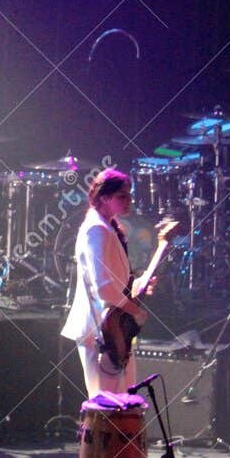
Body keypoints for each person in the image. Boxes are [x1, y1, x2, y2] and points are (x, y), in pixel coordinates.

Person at [63, 168, 147, 397]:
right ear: (103, 198)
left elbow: (114, 282)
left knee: (122, 402)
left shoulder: (108, 227)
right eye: (122, 196)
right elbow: (103, 288)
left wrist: (138, 283)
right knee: (106, 406)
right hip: (99, 330)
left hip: (112, 328)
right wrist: (134, 310)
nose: (129, 200)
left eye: (129, 195)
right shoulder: (96, 230)